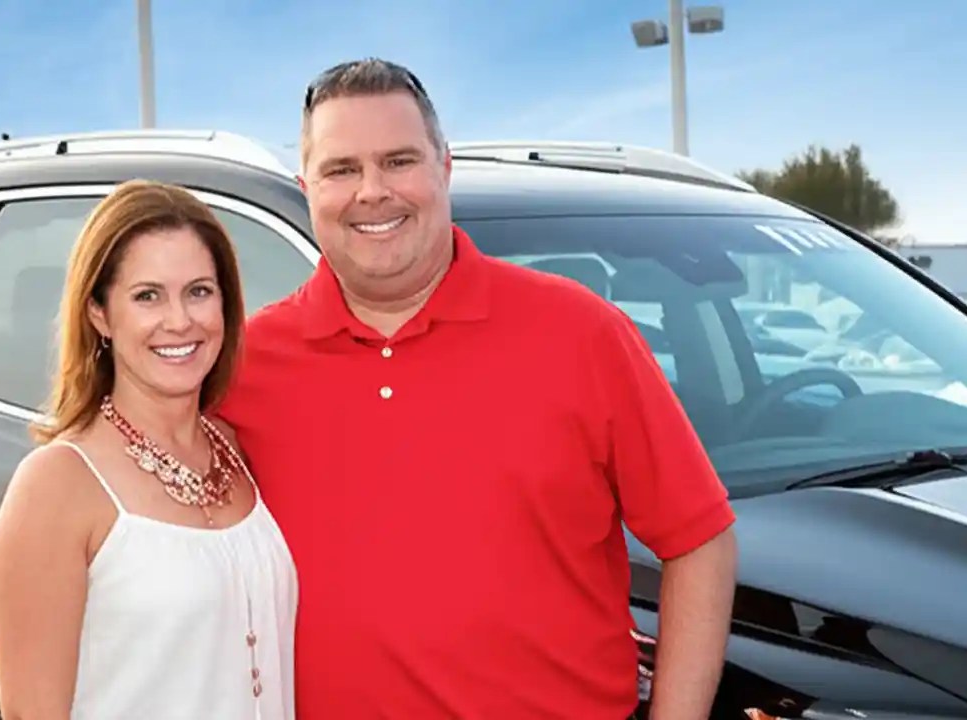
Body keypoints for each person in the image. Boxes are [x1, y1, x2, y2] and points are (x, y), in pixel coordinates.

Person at [216, 58, 737, 719]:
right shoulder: (245, 363)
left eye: (399, 160)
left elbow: (699, 542)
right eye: (341, 170)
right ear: (307, 187)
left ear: (444, 169)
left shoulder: (580, 334)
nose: (372, 191)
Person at [0, 180, 298, 720]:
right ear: (100, 314)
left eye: (199, 290)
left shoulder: (236, 452)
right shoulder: (58, 485)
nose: (179, 320)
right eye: (147, 295)